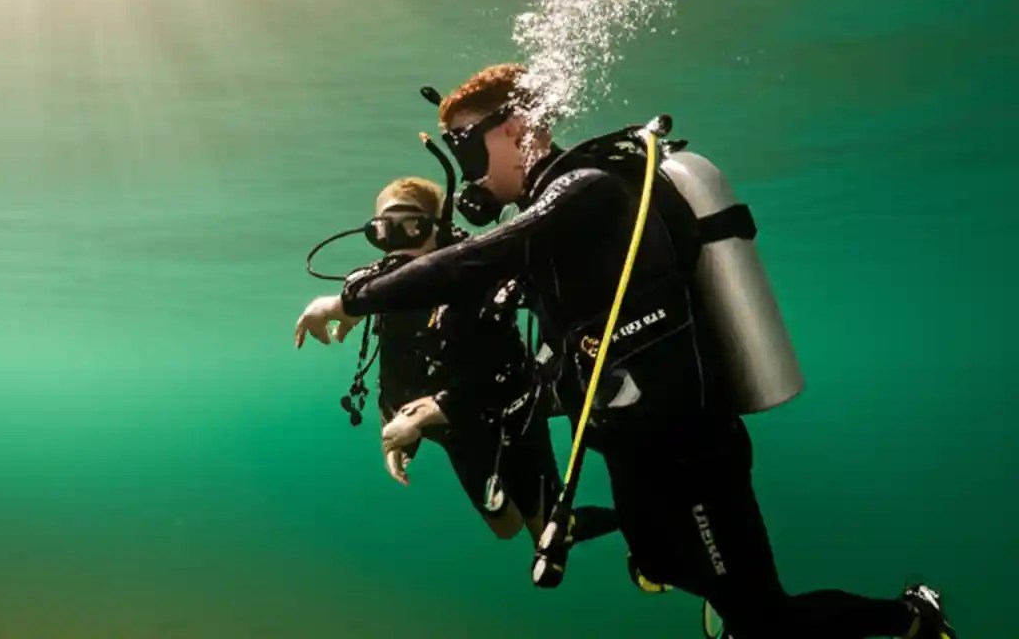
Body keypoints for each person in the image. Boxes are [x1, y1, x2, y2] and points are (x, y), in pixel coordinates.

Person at [294, 64, 957, 639]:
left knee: (765, 621)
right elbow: (468, 293)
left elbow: (481, 256)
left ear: (512, 130)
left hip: (689, 448)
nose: (465, 169)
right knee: (660, 563)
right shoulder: (552, 218)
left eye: (463, 148)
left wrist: (350, 303)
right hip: (631, 442)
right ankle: (723, 592)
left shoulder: (587, 189)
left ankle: (910, 619)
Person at [296, 176, 620, 549]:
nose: (396, 245)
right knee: (505, 528)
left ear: (439, 228)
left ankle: (626, 521)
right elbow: (395, 366)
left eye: (412, 227)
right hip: (455, 432)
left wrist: (428, 413)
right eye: (384, 230)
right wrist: (396, 431)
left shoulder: (477, 282)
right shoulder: (380, 289)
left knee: (546, 534)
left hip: (508, 418)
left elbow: (508, 376)